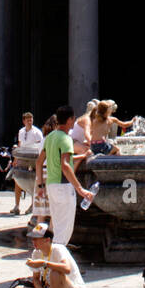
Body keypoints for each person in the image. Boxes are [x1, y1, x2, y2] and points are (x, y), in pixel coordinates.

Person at [35, 105, 87, 246]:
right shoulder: (65, 139)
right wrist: (80, 188)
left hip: (51, 185)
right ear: (70, 120)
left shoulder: (50, 136)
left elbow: (39, 162)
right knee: (64, 231)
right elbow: (65, 165)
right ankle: (58, 264)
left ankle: (54, 261)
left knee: (58, 227)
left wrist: (40, 186)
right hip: (64, 186)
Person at [19, 222, 85, 288]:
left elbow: (66, 269)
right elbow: (35, 279)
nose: (33, 241)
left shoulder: (58, 249)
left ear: (47, 240)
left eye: (36, 238)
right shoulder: (36, 253)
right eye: (32, 238)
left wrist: (43, 263)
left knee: (56, 272)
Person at [13, 111, 43, 213]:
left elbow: (40, 147)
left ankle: (32, 205)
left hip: (33, 158)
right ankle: (17, 206)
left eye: (31, 120)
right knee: (17, 179)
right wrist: (16, 159)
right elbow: (20, 145)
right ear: (24, 121)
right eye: (28, 120)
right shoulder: (21, 131)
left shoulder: (37, 132)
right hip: (22, 157)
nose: (30, 122)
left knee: (33, 180)